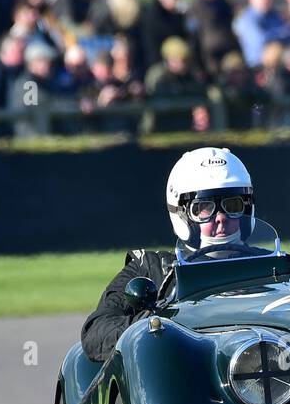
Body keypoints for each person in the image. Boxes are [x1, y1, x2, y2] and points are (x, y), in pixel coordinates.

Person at [80, 147, 260, 362]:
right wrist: (155, 322)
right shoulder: (151, 267)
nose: (221, 217)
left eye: (233, 205)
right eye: (204, 207)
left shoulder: (276, 264)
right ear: (181, 214)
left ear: (247, 209)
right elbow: (96, 332)